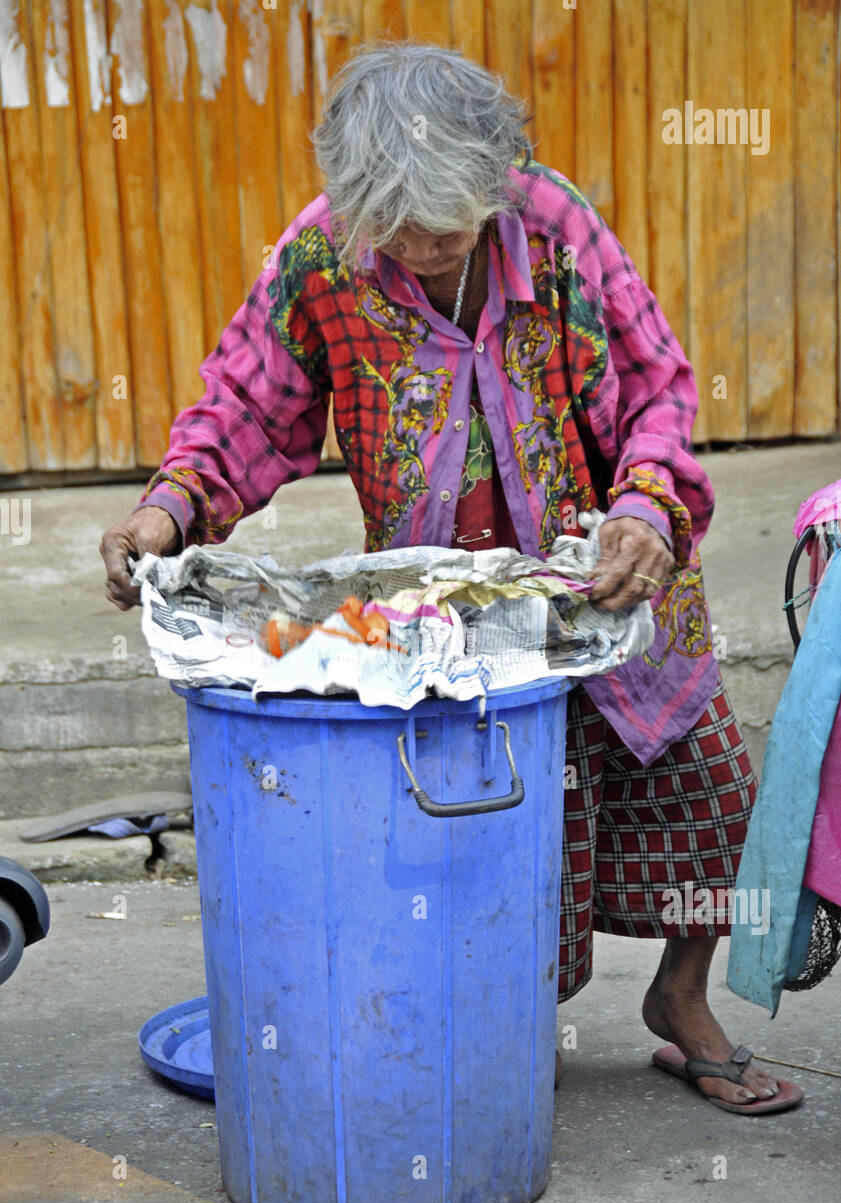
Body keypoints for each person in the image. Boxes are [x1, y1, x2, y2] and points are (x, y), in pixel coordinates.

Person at [101, 42, 801, 1114]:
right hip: (455, 626)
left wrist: (646, 506)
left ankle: (680, 997)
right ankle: (506, 1023)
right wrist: (168, 507)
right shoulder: (321, 260)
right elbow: (246, 408)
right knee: (507, 844)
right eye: (399, 228)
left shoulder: (555, 227)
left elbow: (656, 386)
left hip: (610, 584)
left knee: (709, 801)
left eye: (446, 224)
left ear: (493, 186)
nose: (423, 247)